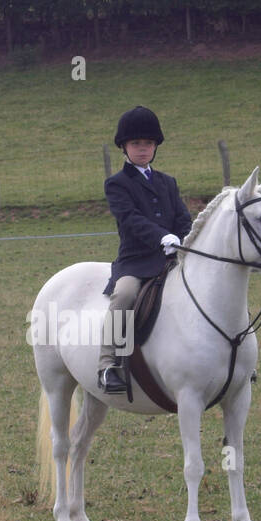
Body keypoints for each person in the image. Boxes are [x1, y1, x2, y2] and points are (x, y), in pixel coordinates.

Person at [97, 105, 192, 393]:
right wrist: (161, 237)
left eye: (148, 143)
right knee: (124, 295)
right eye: (136, 143)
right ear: (124, 147)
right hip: (136, 261)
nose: (143, 149)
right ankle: (107, 364)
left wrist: (184, 238)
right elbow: (131, 220)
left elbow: (183, 217)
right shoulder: (117, 184)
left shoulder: (167, 182)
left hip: (173, 257)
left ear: (155, 147)